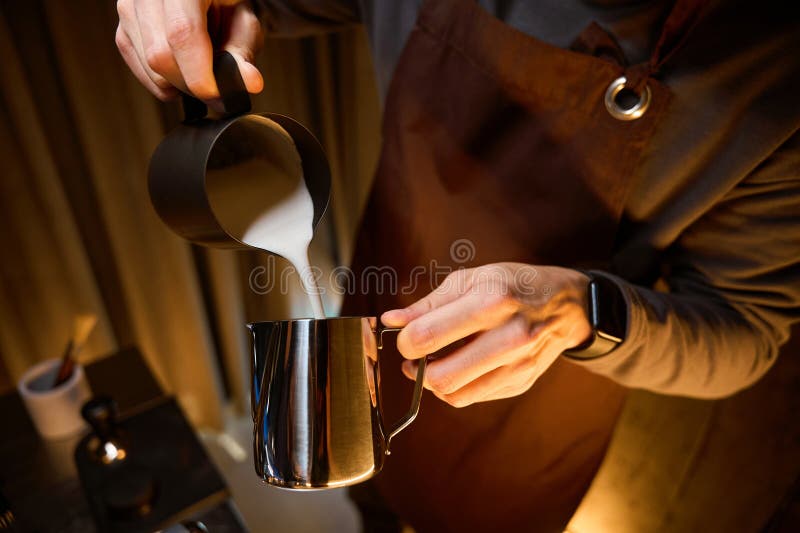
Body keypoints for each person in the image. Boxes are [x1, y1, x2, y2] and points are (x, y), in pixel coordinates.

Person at [116, 1, 800, 531]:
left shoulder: (771, 69)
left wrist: (587, 313)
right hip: (381, 306)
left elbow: (746, 327)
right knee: (372, 494)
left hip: (544, 398)